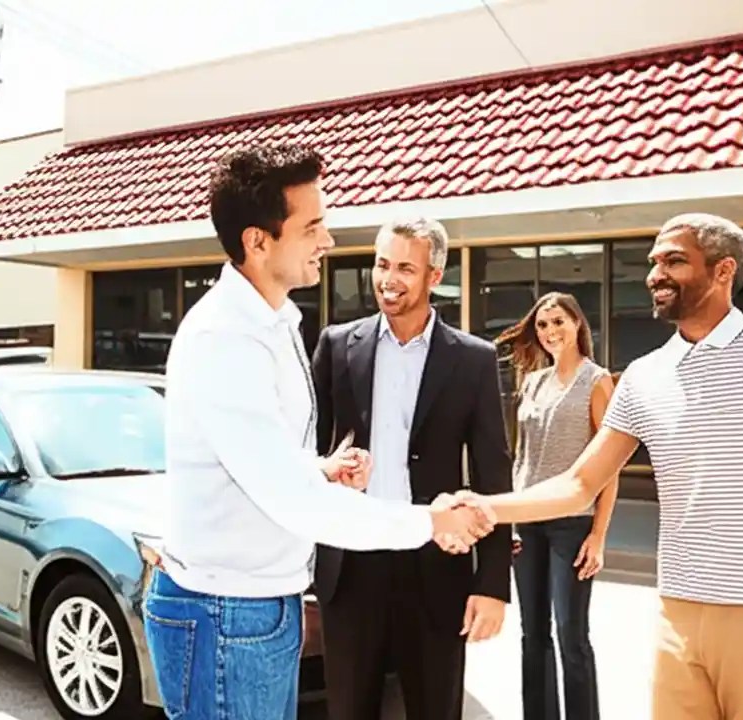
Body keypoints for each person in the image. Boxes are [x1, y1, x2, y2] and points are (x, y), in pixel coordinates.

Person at [443, 213, 743, 720]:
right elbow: (579, 483)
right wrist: (482, 503)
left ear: (724, 270)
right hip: (677, 613)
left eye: (674, 261)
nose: (654, 273)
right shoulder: (643, 376)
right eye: (654, 261)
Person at [142, 144, 495, 720]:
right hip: (225, 614)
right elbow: (293, 503)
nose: (328, 241)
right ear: (258, 241)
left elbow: (266, 467)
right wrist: (431, 522)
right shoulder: (226, 338)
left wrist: (320, 470)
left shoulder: (276, 322)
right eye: (312, 227)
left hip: (257, 609)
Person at [310, 217, 513, 720]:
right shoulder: (337, 346)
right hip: (350, 565)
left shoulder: (472, 360)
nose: (388, 279)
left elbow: (493, 475)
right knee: (348, 710)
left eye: (405, 267)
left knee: (435, 709)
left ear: (434, 275)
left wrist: (491, 584)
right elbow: (308, 451)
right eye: (382, 264)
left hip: (435, 565)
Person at [496, 291, 617, 720]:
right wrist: (509, 519)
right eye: (543, 325)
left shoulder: (597, 381)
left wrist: (598, 536)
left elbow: (610, 467)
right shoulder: (532, 382)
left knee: (571, 633)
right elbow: (521, 458)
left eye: (558, 322)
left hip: (572, 524)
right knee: (533, 634)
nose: (550, 332)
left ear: (578, 324)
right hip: (527, 524)